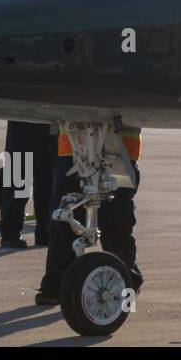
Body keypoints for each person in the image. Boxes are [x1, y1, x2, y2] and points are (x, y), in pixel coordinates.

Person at [35, 127, 143, 307]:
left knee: (117, 222)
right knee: (64, 217)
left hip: (118, 151)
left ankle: (127, 283)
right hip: (74, 152)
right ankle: (56, 284)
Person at [0, 121, 56, 249]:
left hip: (51, 123)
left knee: (48, 184)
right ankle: (10, 234)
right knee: (19, 182)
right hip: (25, 122)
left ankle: (45, 231)